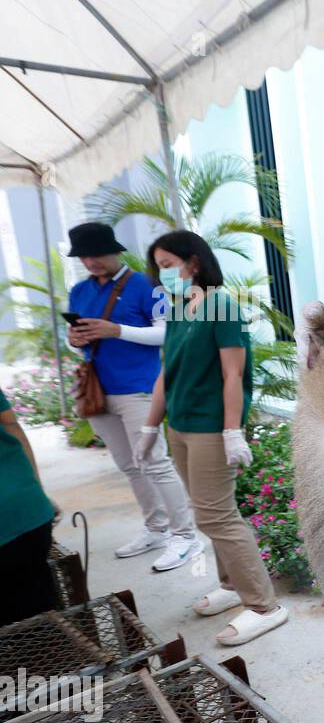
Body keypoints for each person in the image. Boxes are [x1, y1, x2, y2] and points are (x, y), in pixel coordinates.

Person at [135, 230, 289, 646]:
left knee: (216, 516)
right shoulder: (181, 307)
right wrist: (151, 426)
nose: (162, 274)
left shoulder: (221, 305)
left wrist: (232, 431)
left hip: (209, 426)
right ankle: (231, 583)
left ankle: (264, 606)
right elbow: (167, 373)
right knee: (211, 510)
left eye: (168, 265)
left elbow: (233, 374)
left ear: (194, 262)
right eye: (159, 268)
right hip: (180, 426)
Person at [65, 222, 199, 571]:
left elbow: (165, 333)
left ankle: (185, 536)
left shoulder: (145, 284)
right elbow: (77, 335)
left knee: (155, 462)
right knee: (128, 465)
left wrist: (116, 330)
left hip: (139, 387)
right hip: (98, 390)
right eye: (83, 256)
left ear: (115, 250)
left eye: (96, 254)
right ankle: (155, 528)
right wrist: (74, 339)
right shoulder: (79, 291)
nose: (90, 261)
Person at [0, 386, 60, 626]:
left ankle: (24, 664)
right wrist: (37, 489)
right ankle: (47, 660)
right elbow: (12, 426)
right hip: (27, 510)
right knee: (37, 611)